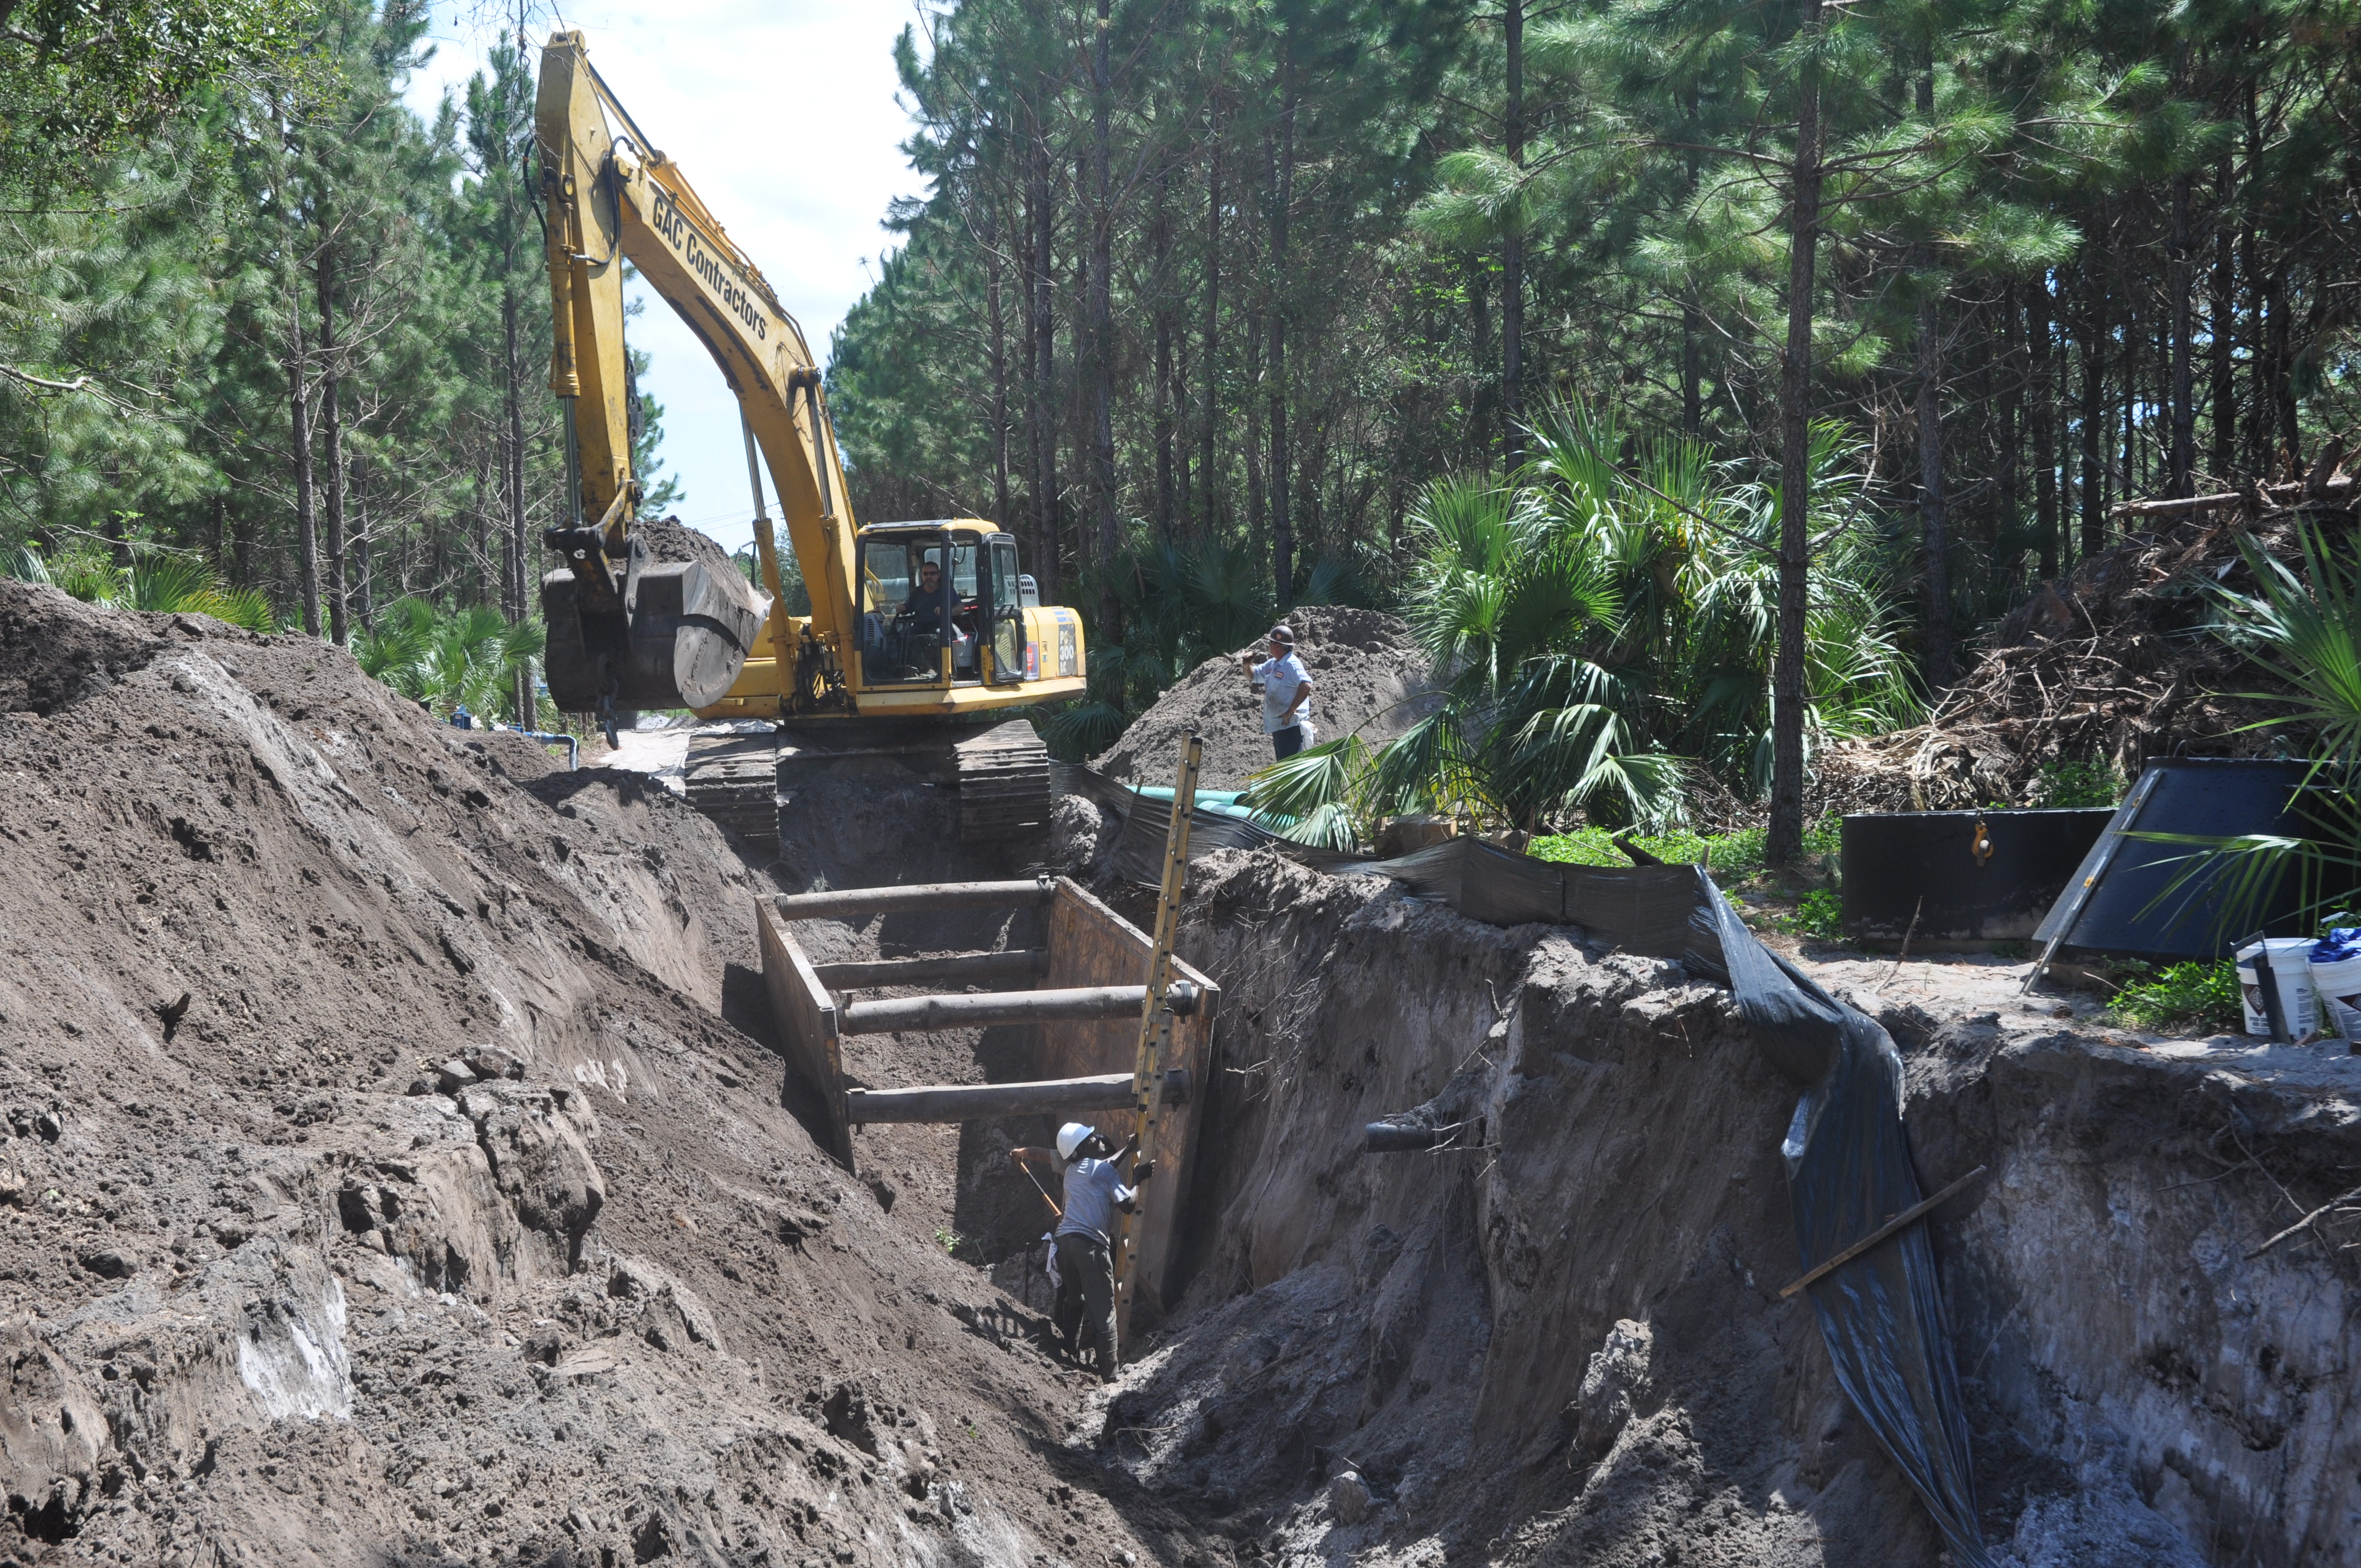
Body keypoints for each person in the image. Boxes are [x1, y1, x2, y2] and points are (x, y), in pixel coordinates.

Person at [1009, 1123, 1155, 1381]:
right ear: (1084, 1147)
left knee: (1074, 1297)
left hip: (1064, 1244)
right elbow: (1129, 1205)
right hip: (1090, 1247)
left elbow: (1103, 1167)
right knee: (1104, 1313)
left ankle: (1068, 1349)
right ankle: (1111, 1377)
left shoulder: (1073, 1171)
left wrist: (1128, 1148)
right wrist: (1138, 1179)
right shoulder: (1102, 1172)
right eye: (1090, 1138)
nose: (1095, 1138)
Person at [1239, 624, 1314, 759]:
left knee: (1290, 769)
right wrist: (1247, 665)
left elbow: (1306, 685)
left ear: (1278, 646)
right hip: (1279, 725)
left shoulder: (1292, 664)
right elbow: (1253, 676)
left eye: (1271, 642)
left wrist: (1291, 710)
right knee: (1283, 766)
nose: (1268, 645)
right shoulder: (1274, 663)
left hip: (1291, 727)